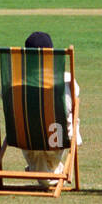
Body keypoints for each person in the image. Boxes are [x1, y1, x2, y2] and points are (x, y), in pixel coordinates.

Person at [17, 31, 81, 180]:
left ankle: (41, 171)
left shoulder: (14, 82)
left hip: (24, 139)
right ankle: (48, 173)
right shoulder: (66, 79)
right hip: (56, 139)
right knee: (72, 115)